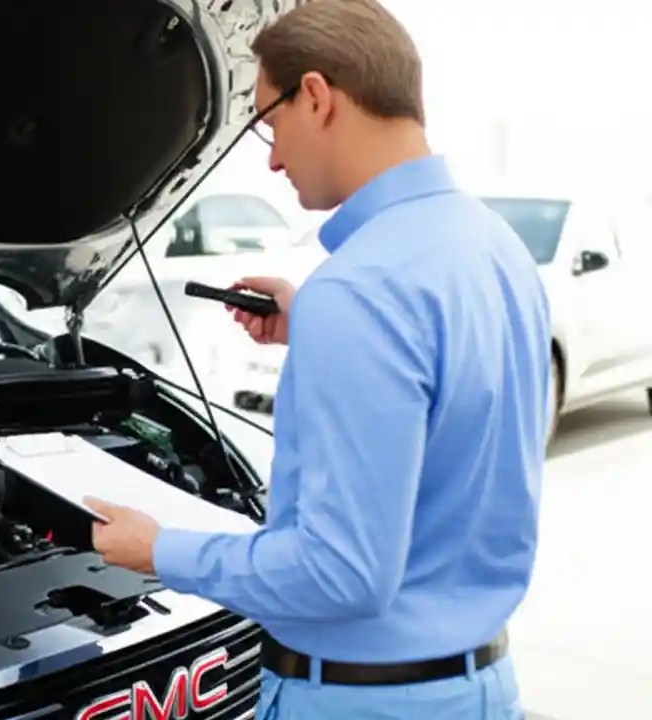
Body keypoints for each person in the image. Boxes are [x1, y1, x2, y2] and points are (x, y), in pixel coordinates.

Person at [82, 1, 552, 718]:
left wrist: (159, 550)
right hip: (480, 689)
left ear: (316, 95)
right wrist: (320, 326)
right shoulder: (493, 248)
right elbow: (453, 396)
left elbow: (342, 574)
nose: (271, 157)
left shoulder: (361, 292)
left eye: (268, 125)